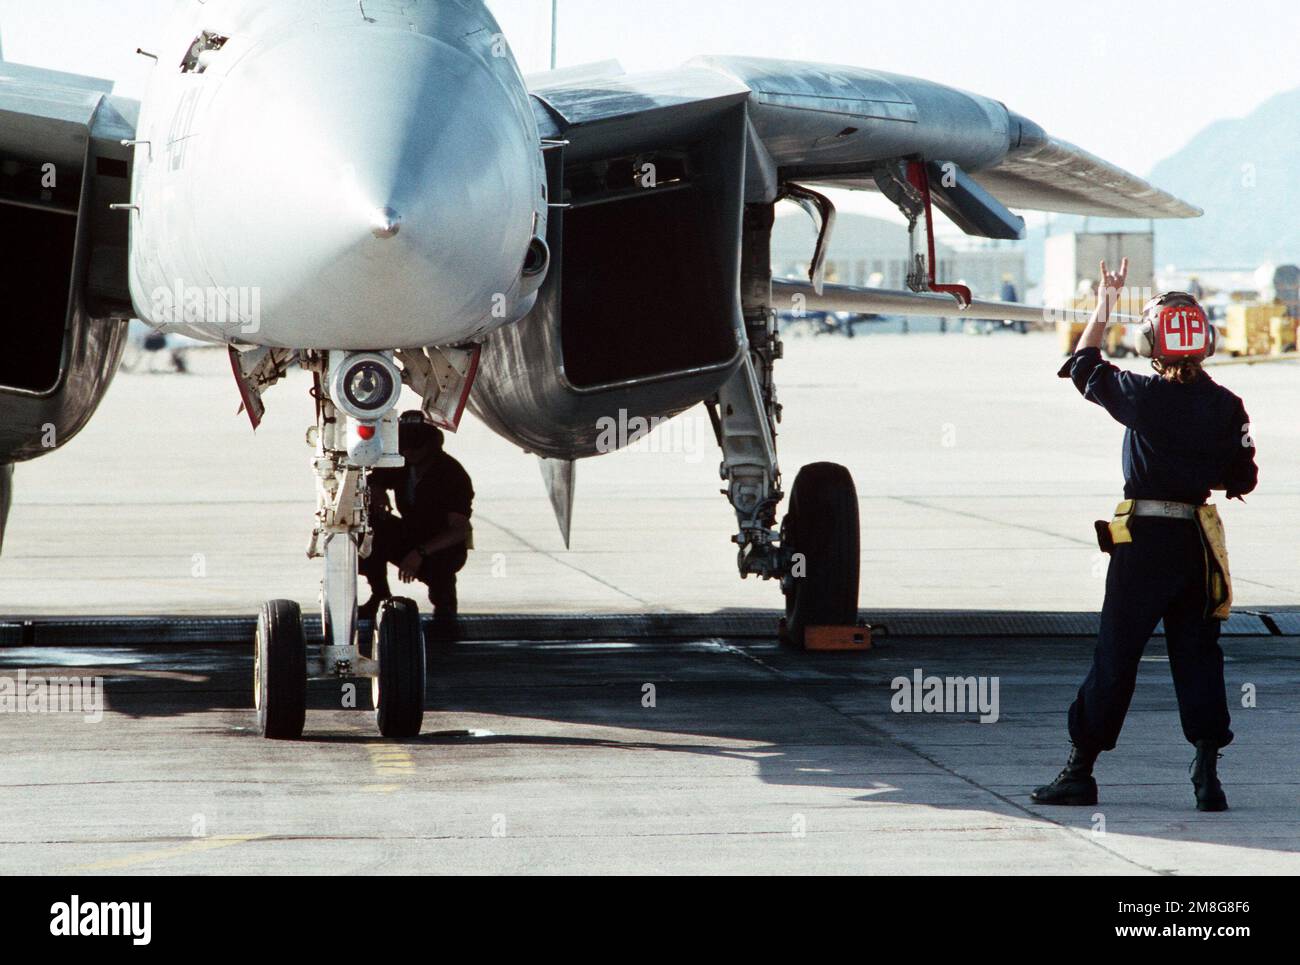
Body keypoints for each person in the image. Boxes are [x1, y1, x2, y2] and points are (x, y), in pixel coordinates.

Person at [1032, 259, 1258, 812]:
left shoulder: (1143, 396)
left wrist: (1105, 301)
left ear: (1154, 342)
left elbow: (1083, 364)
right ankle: (1208, 776)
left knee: (1117, 656)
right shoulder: (1229, 407)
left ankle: (1079, 772)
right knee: (1199, 655)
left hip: (1144, 543)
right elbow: (1242, 477)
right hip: (1197, 547)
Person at [359, 411, 474, 634]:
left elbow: (460, 529)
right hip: (411, 534)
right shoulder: (402, 464)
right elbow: (373, 480)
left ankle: (445, 606)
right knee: (369, 527)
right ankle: (380, 594)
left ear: (431, 445)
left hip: (441, 545)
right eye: (405, 445)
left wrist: (420, 552)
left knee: (442, 569)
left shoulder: (451, 475)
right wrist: (378, 491)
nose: (409, 450)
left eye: (416, 445)